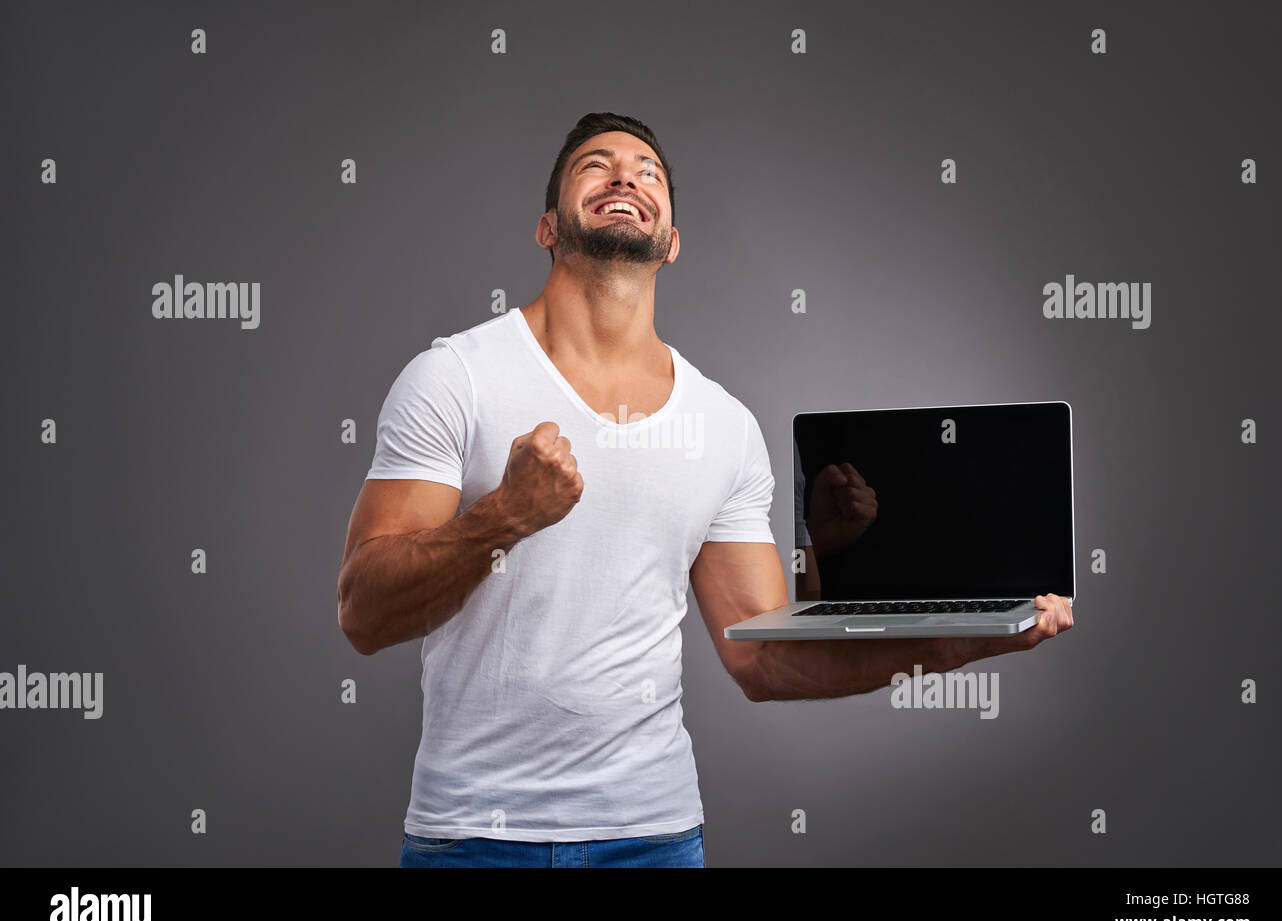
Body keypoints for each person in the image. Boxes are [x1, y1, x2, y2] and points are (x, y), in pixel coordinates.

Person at [335, 112, 1075, 868]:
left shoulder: (721, 423)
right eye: (596, 165)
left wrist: (970, 639)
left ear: (672, 242)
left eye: (647, 171)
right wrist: (504, 516)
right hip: (473, 837)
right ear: (547, 227)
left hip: (653, 838)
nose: (625, 176)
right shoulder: (454, 376)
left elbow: (764, 658)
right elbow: (363, 611)